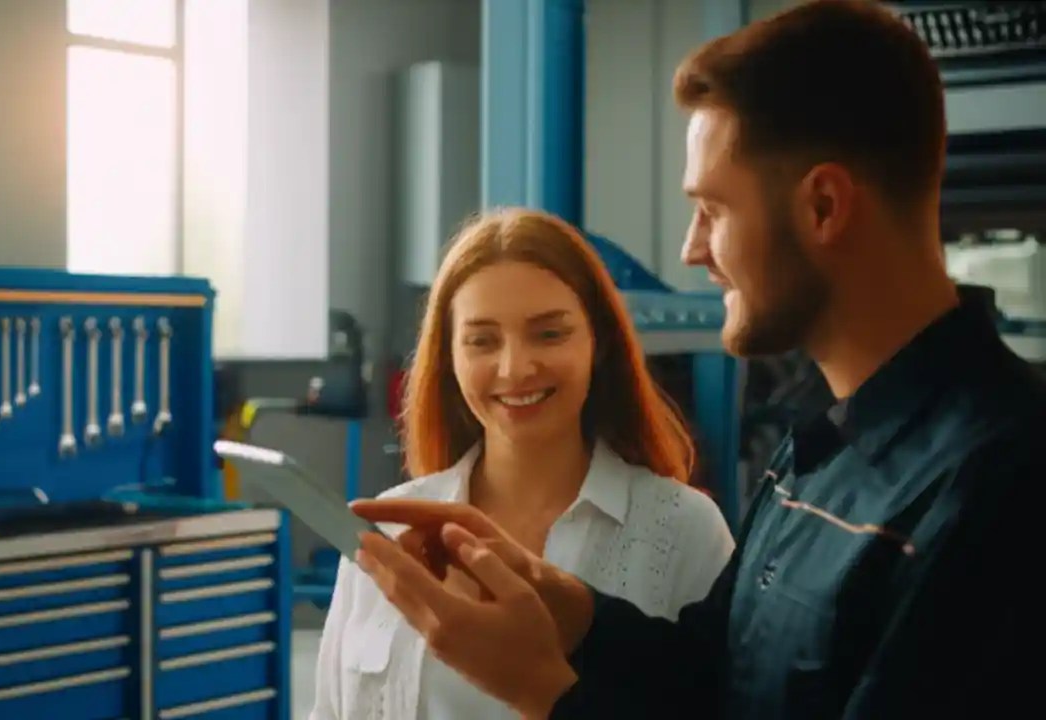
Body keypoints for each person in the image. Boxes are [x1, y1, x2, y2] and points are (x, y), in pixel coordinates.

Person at [349, 1, 1046, 718]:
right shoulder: (819, 452)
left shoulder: (999, 489)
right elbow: (720, 674)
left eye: (713, 210)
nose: (691, 249)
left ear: (824, 207)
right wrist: (567, 610)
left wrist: (542, 691)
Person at [308, 208, 736, 719]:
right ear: (449, 356)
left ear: (597, 343)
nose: (515, 368)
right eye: (482, 340)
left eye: (549, 334)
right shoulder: (387, 530)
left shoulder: (685, 530)